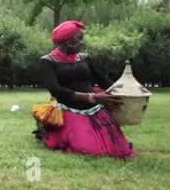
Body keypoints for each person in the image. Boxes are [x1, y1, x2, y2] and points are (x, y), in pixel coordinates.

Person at [32, 20, 134, 159]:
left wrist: (124, 89)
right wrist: (92, 97)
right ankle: (50, 131)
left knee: (119, 149)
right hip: (69, 110)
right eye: (79, 39)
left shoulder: (85, 58)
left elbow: (102, 80)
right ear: (67, 41)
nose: (83, 43)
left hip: (94, 110)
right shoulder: (48, 61)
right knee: (88, 149)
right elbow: (56, 91)